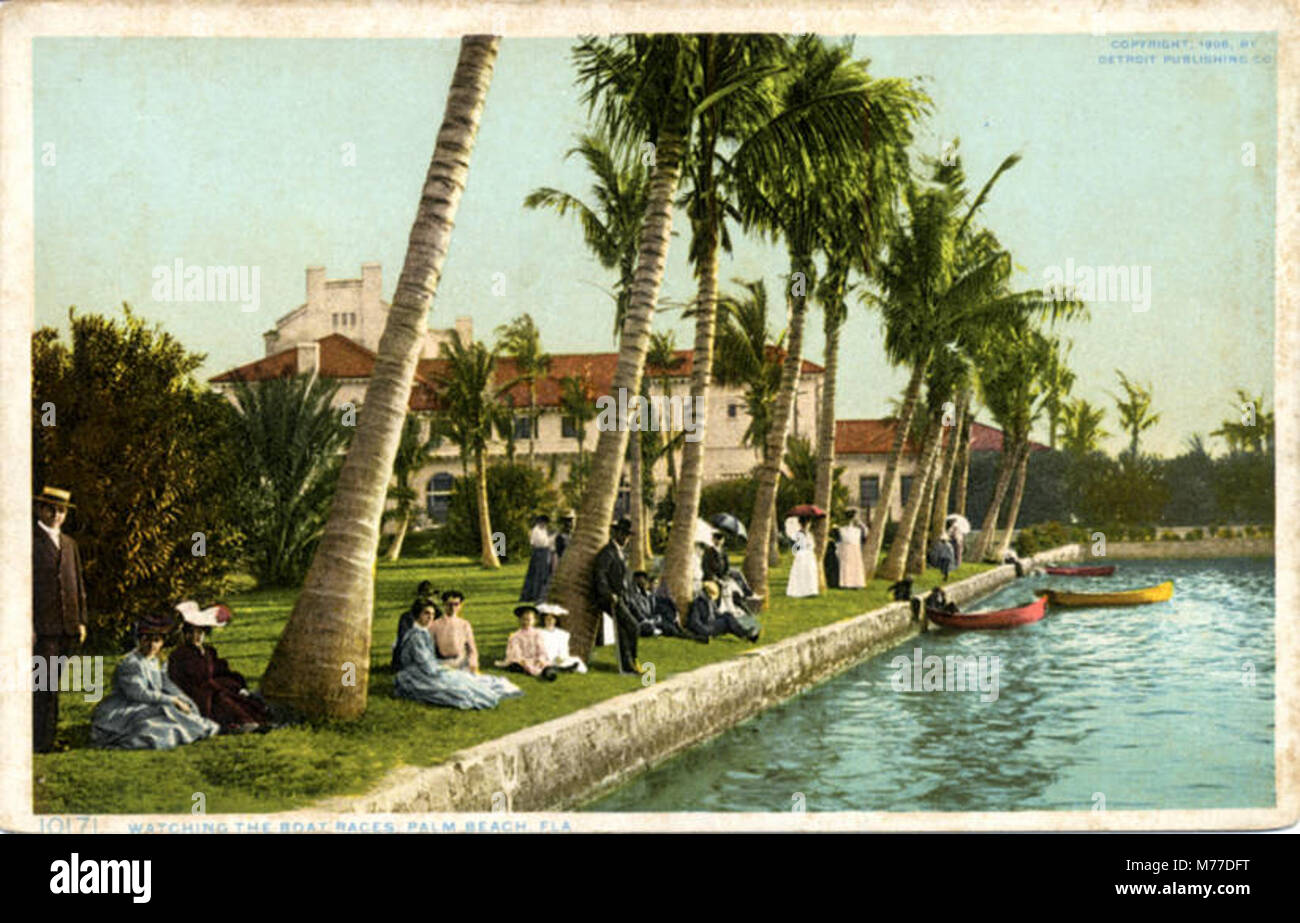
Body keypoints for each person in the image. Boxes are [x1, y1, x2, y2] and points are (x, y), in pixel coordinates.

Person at [91, 612, 220, 749]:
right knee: (161, 718)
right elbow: (139, 694)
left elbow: (166, 683)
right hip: (125, 708)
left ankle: (194, 728)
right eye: (147, 640)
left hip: (147, 704)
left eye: (156, 640)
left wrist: (182, 699)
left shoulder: (155, 661)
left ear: (162, 643)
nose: (151, 645)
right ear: (139, 640)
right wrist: (173, 700)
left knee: (175, 713)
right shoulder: (132, 663)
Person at [32, 486, 88, 753]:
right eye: (50, 509)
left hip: (66, 626)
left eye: (61, 511)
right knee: (43, 684)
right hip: (43, 628)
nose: (55, 515)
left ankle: (49, 734)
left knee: (54, 682)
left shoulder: (69, 544)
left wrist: (81, 621)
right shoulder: (29, 542)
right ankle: (41, 740)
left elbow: (78, 587)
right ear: (39, 510)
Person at [167, 605, 273, 734]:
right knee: (222, 698)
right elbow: (187, 679)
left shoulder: (208, 651)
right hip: (194, 693)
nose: (196, 637)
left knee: (237, 696)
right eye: (192, 633)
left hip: (210, 688)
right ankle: (244, 723)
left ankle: (259, 720)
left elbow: (219, 670)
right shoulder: (180, 654)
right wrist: (216, 687)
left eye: (200, 632)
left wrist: (233, 684)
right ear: (186, 634)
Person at [395, 604, 515, 709]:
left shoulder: (422, 632)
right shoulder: (416, 636)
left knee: (462, 679)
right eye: (426, 613)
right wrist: (442, 668)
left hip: (425, 671)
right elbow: (425, 664)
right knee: (455, 689)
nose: (430, 617)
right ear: (418, 615)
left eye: (432, 614)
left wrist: (441, 667)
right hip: (416, 676)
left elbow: (428, 661)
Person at [429, 592, 522, 699]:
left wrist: (473, 662)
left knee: (478, 683)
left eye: (456, 604)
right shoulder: (435, 625)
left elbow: (472, 648)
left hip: (461, 662)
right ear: (444, 605)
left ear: (460, 605)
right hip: (443, 663)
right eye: (449, 604)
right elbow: (429, 648)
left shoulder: (464, 624)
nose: (453, 608)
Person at [592, 517, 643, 675]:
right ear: (616, 534)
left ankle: (627, 665)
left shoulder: (620, 553)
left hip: (621, 596)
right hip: (608, 598)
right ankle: (633, 661)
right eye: (624, 535)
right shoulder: (607, 552)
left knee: (623, 629)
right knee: (633, 626)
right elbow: (600, 575)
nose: (626, 539)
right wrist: (608, 594)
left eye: (628, 536)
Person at [497, 604, 559, 681]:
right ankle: (528, 670)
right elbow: (515, 651)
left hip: (535, 658)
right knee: (515, 665)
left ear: (534, 621)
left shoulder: (537, 633)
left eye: (529, 620)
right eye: (524, 619)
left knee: (545, 664)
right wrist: (522, 661)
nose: (526, 622)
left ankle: (548, 673)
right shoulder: (516, 635)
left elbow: (541, 648)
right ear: (519, 620)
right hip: (522, 660)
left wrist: (540, 658)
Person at [687, 580, 760, 643]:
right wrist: (705, 632)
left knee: (728, 616)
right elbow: (694, 622)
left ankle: (745, 634)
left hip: (712, 623)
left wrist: (724, 616)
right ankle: (745, 634)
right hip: (707, 627)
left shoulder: (710, 602)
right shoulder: (697, 603)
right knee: (729, 621)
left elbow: (716, 613)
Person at [392, 580, 438, 670]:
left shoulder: (439, 614)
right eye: (426, 595)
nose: (429, 599)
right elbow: (403, 641)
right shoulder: (408, 616)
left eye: (431, 596)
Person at [537, 603, 586, 673]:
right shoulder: (539, 632)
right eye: (547, 619)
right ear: (544, 620)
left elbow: (564, 649)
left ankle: (562, 668)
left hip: (557, 659)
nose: (550, 621)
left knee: (576, 660)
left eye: (552, 619)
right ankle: (559, 669)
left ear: (556, 620)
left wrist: (561, 657)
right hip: (543, 658)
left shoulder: (562, 634)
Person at [520, 514, 556, 601]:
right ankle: (535, 594)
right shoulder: (536, 530)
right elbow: (541, 542)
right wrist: (552, 538)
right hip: (539, 553)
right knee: (537, 574)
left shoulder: (543, 530)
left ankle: (541, 594)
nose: (545, 524)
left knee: (543, 574)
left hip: (544, 553)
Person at [785, 515, 820, 598]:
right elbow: (795, 548)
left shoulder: (809, 534)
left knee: (810, 572)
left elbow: (812, 545)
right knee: (801, 572)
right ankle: (801, 591)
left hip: (809, 555)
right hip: (802, 555)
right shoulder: (799, 534)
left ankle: (810, 590)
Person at [836, 509, 867, 589]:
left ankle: (855, 583)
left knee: (854, 565)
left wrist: (859, 522)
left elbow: (865, 533)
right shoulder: (842, 529)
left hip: (854, 549)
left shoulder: (857, 530)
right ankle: (847, 583)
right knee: (847, 565)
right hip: (847, 549)